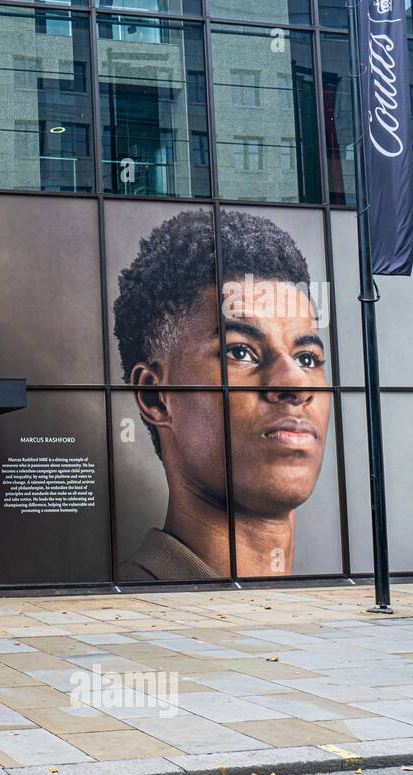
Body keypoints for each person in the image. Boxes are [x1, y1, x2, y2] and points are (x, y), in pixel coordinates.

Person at [113, 209, 331, 580]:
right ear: (155, 397)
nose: (296, 384)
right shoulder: (135, 612)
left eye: (307, 358)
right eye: (240, 352)